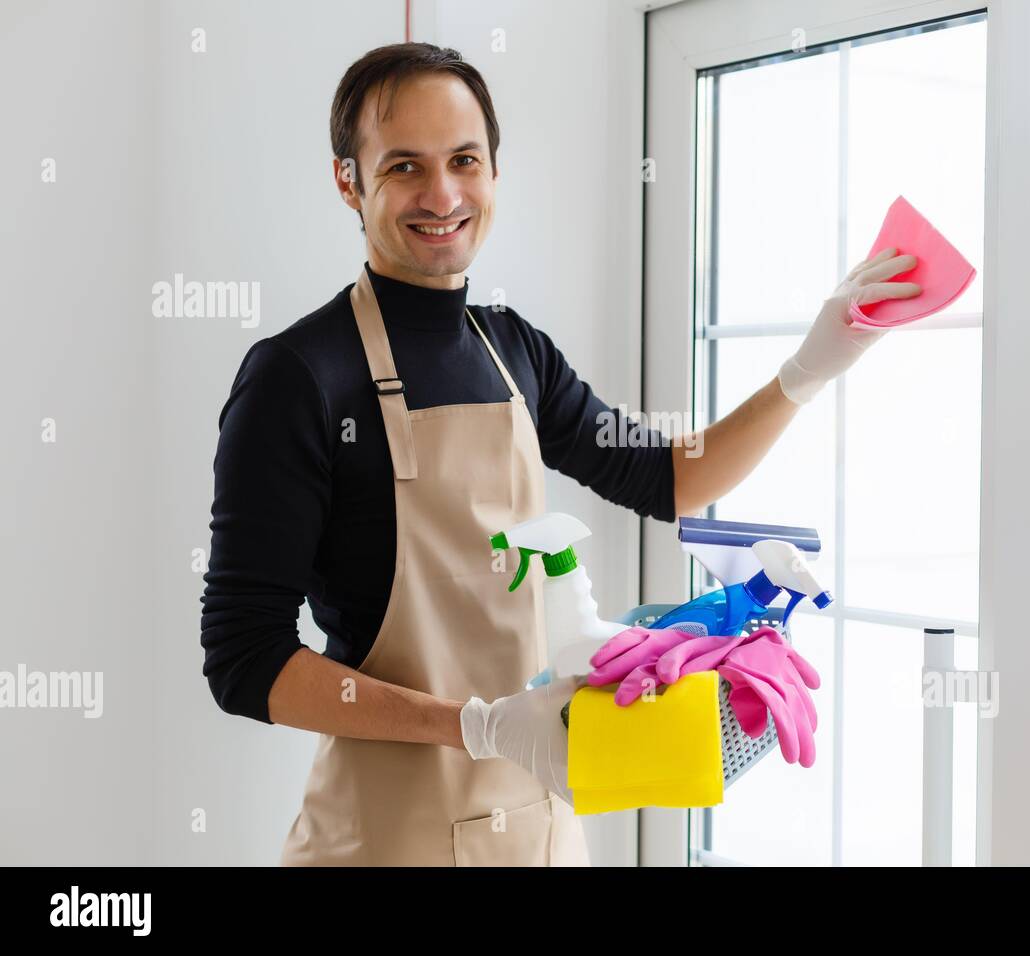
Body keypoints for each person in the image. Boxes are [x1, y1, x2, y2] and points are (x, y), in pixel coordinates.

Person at [199, 42, 919, 867]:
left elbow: (672, 478)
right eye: (404, 166)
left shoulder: (516, 354)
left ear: (494, 171)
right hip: (383, 840)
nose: (443, 195)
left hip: (539, 829)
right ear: (349, 182)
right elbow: (244, 658)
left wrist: (809, 368)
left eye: (465, 160)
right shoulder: (299, 377)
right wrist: (472, 726)